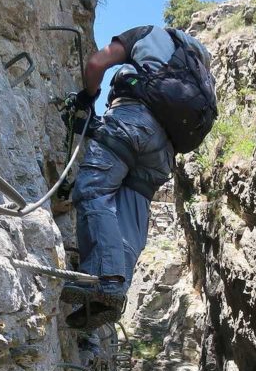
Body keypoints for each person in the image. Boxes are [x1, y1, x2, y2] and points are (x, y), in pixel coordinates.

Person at [61, 26, 215, 330]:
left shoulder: (149, 33)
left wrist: (87, 98)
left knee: (93, 189)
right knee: (130, 217)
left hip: (132, 121)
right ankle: (112, 290)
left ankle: (107, 281)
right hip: (163, 154)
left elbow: (96, 65)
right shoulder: (200, 67)